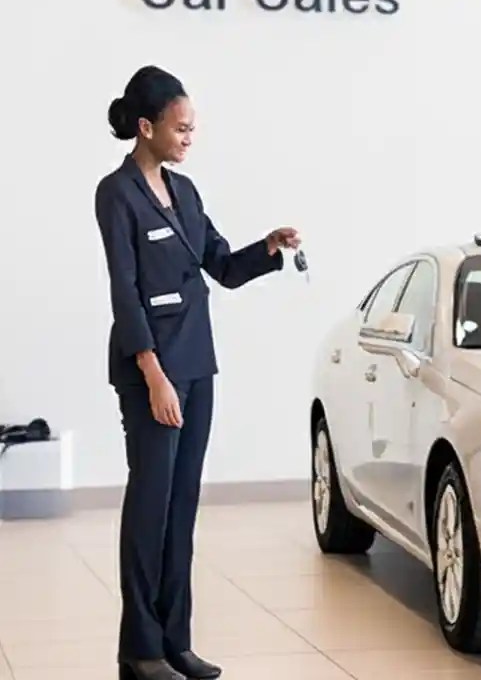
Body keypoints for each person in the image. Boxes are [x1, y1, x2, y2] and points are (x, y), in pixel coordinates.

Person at [95, 65, 301, 680]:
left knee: (182, 507)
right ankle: (141, 649)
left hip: (196, 364)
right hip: (152, 371)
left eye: (192, 128)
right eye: (180, 127)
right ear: (146, 126)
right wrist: (153, 374)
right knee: (150, 508)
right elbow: (125, 291)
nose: (189, 137)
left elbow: (222, 266)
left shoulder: (185, 192)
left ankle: (175, 641)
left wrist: (268, 248)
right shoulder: (116, 193)